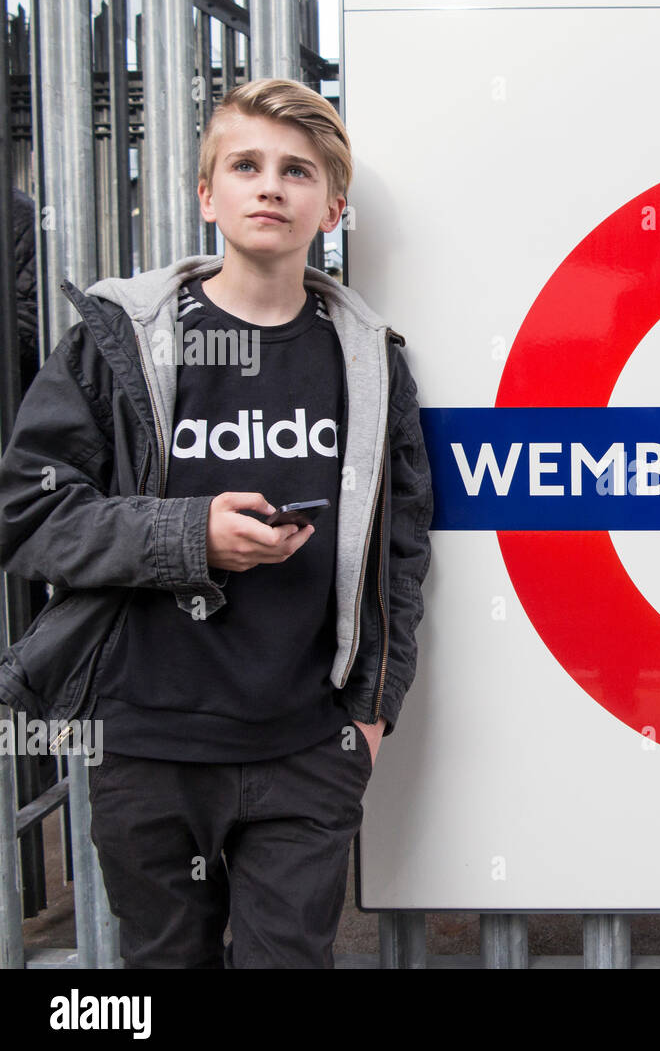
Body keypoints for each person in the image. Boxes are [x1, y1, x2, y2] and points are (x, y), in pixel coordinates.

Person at [0, 78, 433, 968]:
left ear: (333, 204)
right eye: (245, 165)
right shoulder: (121, 341)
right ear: (208, 195)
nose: (270, 186)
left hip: (306, 746)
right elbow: (29, 510)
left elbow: (401, 551)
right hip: (146, 745)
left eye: (297, 170)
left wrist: (370, 715)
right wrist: (188, 536)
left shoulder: (371, 364)